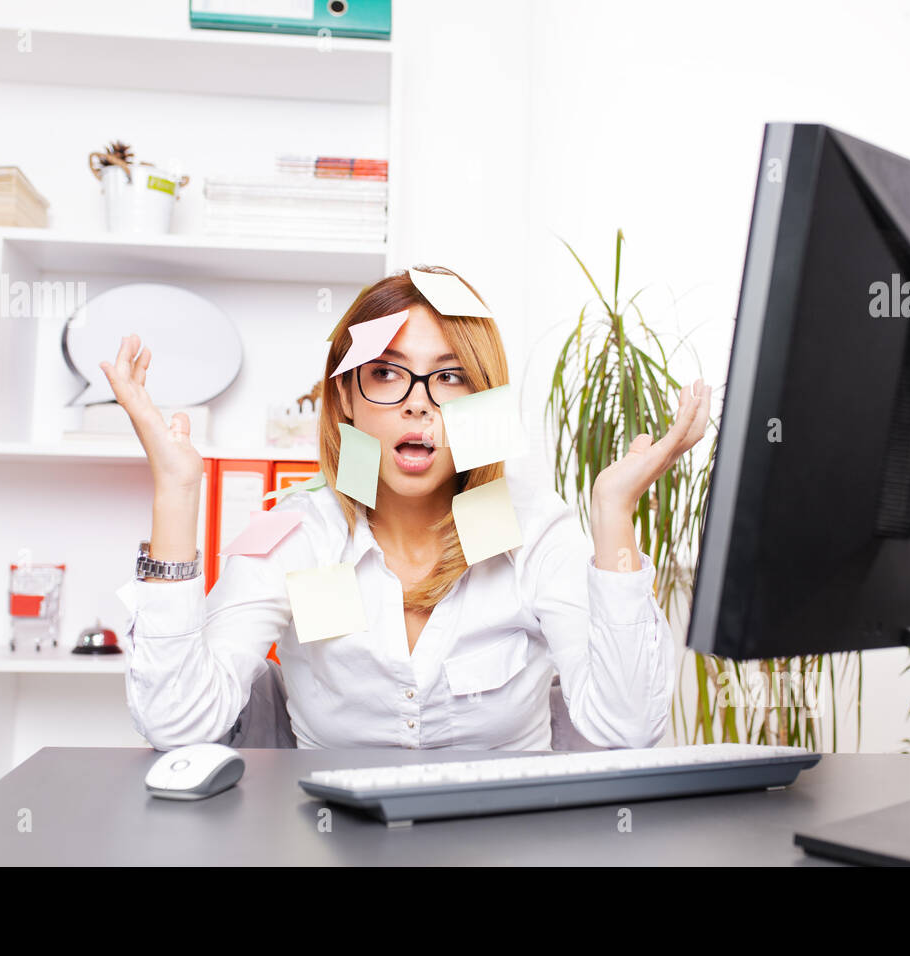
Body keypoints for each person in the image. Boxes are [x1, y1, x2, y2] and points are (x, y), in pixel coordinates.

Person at [106, 265, 711, 751]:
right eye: (389, 373)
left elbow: (628, 728)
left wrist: (613, 513)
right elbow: (176, 725)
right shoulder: (298, 530)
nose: (419, 404)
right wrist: (177, 494)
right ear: (344, 394)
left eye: (449, 378)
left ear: (483, 402)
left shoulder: (531, 527)